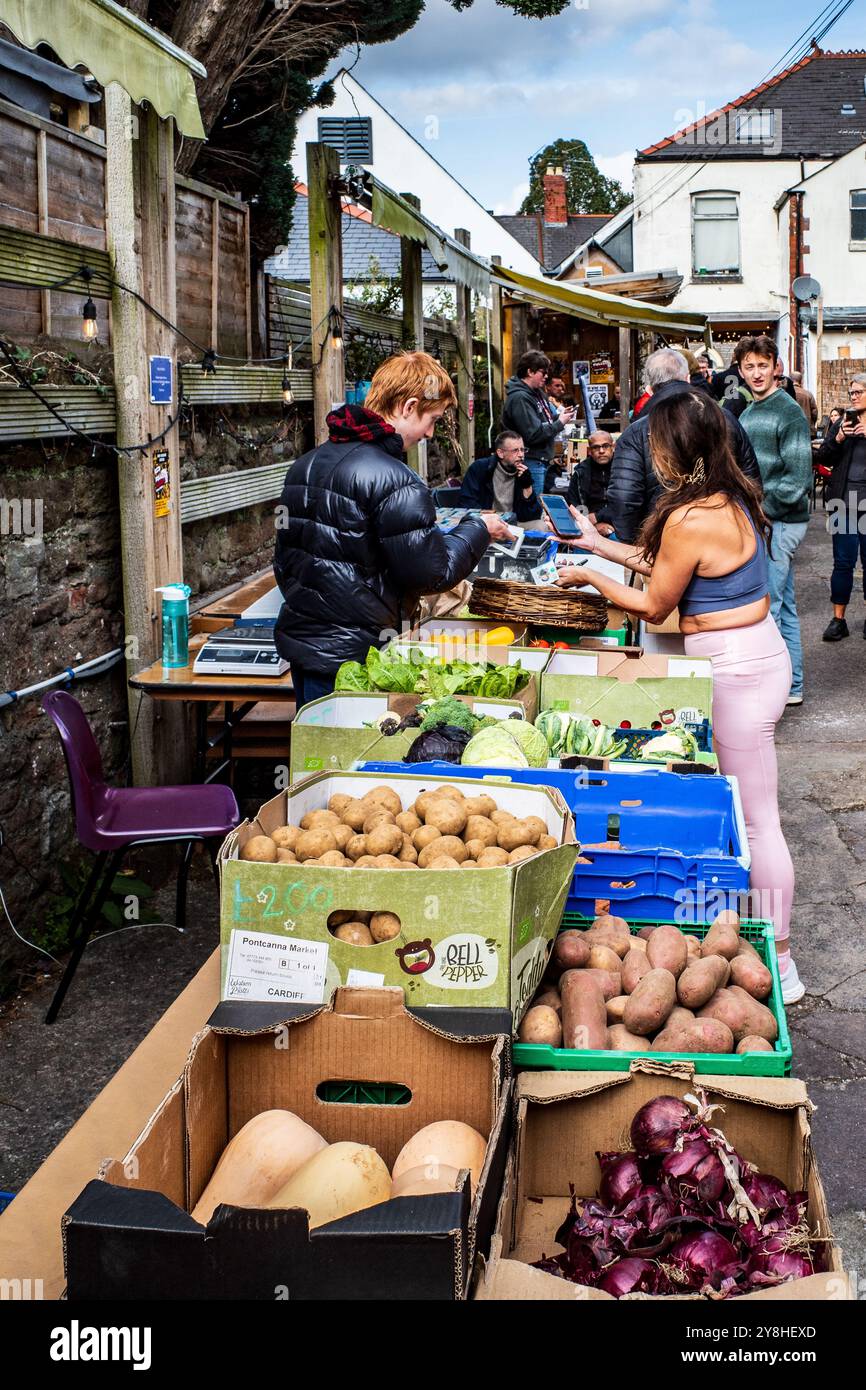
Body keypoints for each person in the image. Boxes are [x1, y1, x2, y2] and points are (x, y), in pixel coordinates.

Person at [555, 386, 804, 1003]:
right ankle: (760, 936)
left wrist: (590, 578)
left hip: (738, 670)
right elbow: (664, 564)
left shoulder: (691, 517)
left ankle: (786, 962)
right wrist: (598, 546)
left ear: (673, 452)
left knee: (759, 820)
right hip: (757, 654)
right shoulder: (729, 494)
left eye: (655, 444)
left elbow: (655, 600)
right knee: (752, 811)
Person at [273, 351, 513, 708]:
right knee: (350, 756)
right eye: (432, 419)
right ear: (408, 406)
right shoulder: (396, 480)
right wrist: (478, 527)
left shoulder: (305, 465)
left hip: (305, 649)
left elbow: (284, 563)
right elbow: (432, 574)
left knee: (316, 756)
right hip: (355, 658)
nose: (431, 432)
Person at [602, 348, 762, 542]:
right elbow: (751, 479)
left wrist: (639, 546)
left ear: (650, 389)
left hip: (664, 540)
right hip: (724, 535)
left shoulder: (636, 432)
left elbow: (624, 501)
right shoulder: (724, 418)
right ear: (687, 378)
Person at [736, 334, 813, 706]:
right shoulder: (748, 413)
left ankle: (778, 688)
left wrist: (762, 513)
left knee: (772, 604)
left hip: (780, 520)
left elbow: (798, 478)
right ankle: (793, 684)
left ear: (776, 367)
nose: (756, 373)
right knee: (785, 604)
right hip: (763, 519)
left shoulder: (788, 411)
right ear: (740, 370)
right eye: (749, 366)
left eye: (762, 365)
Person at [817, 372, 866, 641]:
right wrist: (837, 440)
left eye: (859, 391)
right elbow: (822, 456)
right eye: (852, 393)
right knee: (843, 563)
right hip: (842, 504)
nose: (854, 396)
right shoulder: (842, 424)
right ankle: (838, 619)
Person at [502, 350, 575, 496]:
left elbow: (544, 421)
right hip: (531, 461)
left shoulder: (536, 393)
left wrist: (559, 416)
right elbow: (533, 434)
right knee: (533, 507)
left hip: (541, 460)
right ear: (530, 371)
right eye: (543, 372)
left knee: (541, 504)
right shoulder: (520, 398)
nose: (546, 376)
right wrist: (560, 423)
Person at [459, 430, 543, 522]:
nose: (521, 455)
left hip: (514, 522)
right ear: (500, 453)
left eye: (523, 450)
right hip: (485, 522)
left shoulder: (523, 472)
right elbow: (467, 503)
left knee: (542, 526)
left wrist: (527, 486)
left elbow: (533, 516)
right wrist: (488, 521)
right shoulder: (480, 468)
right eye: (515, 450)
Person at [567, 430, 615, 523]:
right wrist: (589, 524)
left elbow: (627, 504)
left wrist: (599, 517)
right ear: (589, 451)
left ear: (613, 447)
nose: (601, 451)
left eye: (605, 446)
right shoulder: (580, 473)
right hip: (588, 523)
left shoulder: (623, 469)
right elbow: (574, 505)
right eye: (596, 447)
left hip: (619, 524)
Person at [791, 370, 818, 437]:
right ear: (801, 381)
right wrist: (811, 423)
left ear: (790, 380)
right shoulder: (808, 394)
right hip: (807, 430)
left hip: (792, 432)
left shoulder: (786, 394)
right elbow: (814, 413)